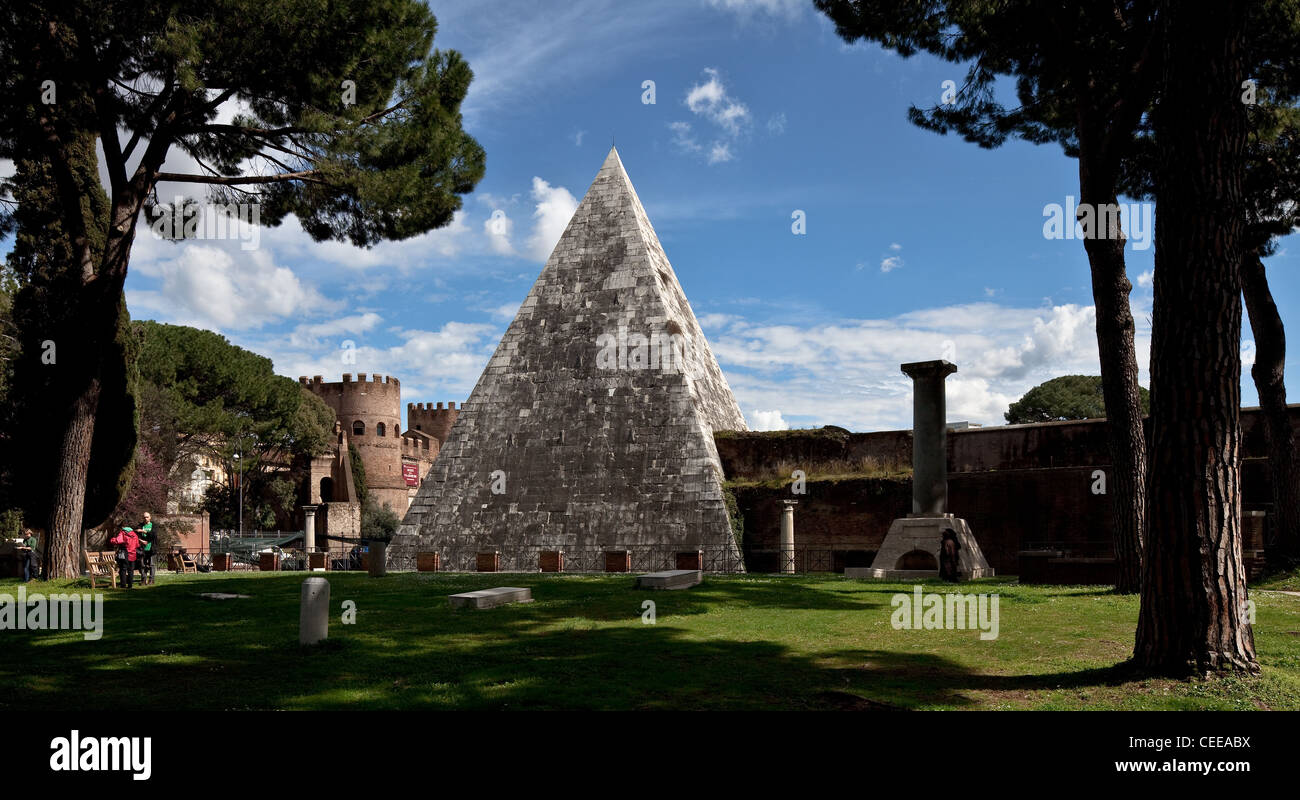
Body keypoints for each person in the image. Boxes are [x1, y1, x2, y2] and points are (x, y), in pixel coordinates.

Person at [136, 512, 155, 586]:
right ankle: (143, 579)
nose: (145, 518)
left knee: (152, 565)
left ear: (150, 517)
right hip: (142, 549)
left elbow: (153, 535)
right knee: (142, 565)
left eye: (147, 517)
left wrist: (143, 531)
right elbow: (136, 536)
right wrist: (141, 541)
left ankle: (151, 580)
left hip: (151, 548)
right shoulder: (140, 526)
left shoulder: (153, 525)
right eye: (144, 517)